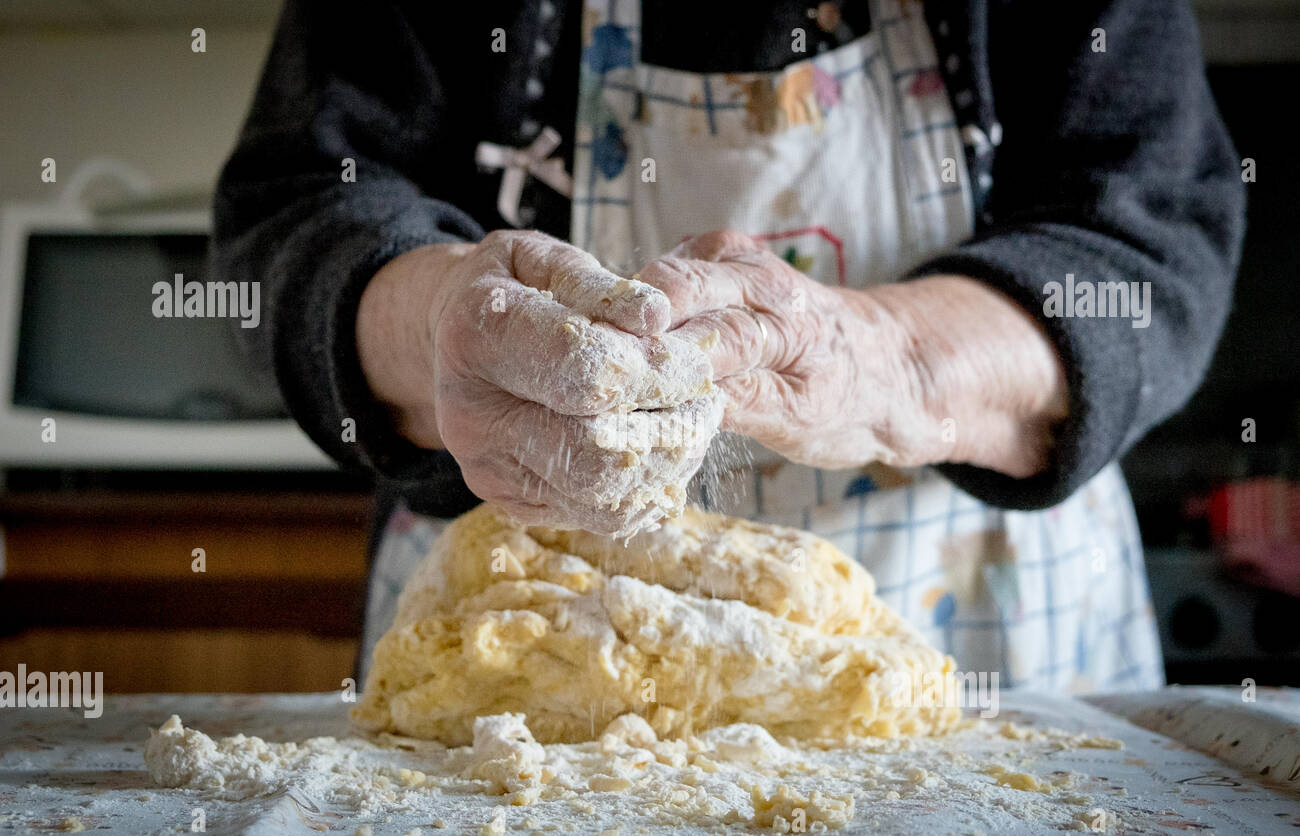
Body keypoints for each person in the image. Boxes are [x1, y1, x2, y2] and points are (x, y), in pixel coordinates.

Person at [212, 1, 1244, 693]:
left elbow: (1147, 235)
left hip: (978, 612)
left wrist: (892, 359)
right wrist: (438, 319)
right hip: (524, 622)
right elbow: (292, 211)